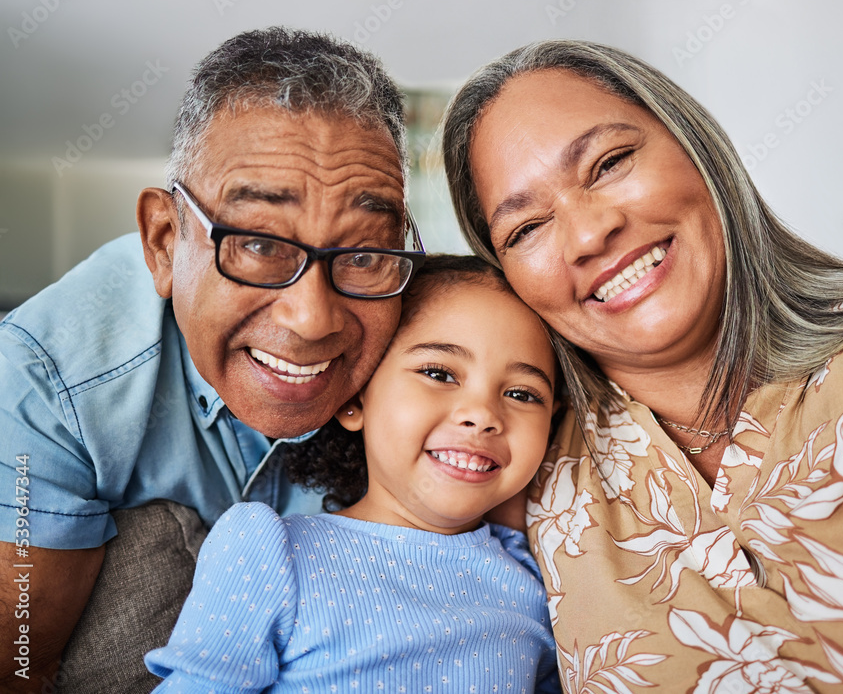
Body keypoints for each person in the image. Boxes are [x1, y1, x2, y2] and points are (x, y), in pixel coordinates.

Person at [442, 39, 843, 692]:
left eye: (609, 163)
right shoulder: (520, 465)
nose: (589, 234)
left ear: (696, 145)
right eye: (526, 228)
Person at [0, 27, 423, 687]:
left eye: (364, 253)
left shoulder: (432, 340)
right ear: (164, 242)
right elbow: (20, 664)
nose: (312, 318)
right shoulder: (44, 380)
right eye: (258, 244)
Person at [144, 255, 561, 692]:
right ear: (355, 398)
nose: (483, 415)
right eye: (438, 373)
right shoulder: (271, 552)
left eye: (522, 394)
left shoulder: (543, 582)